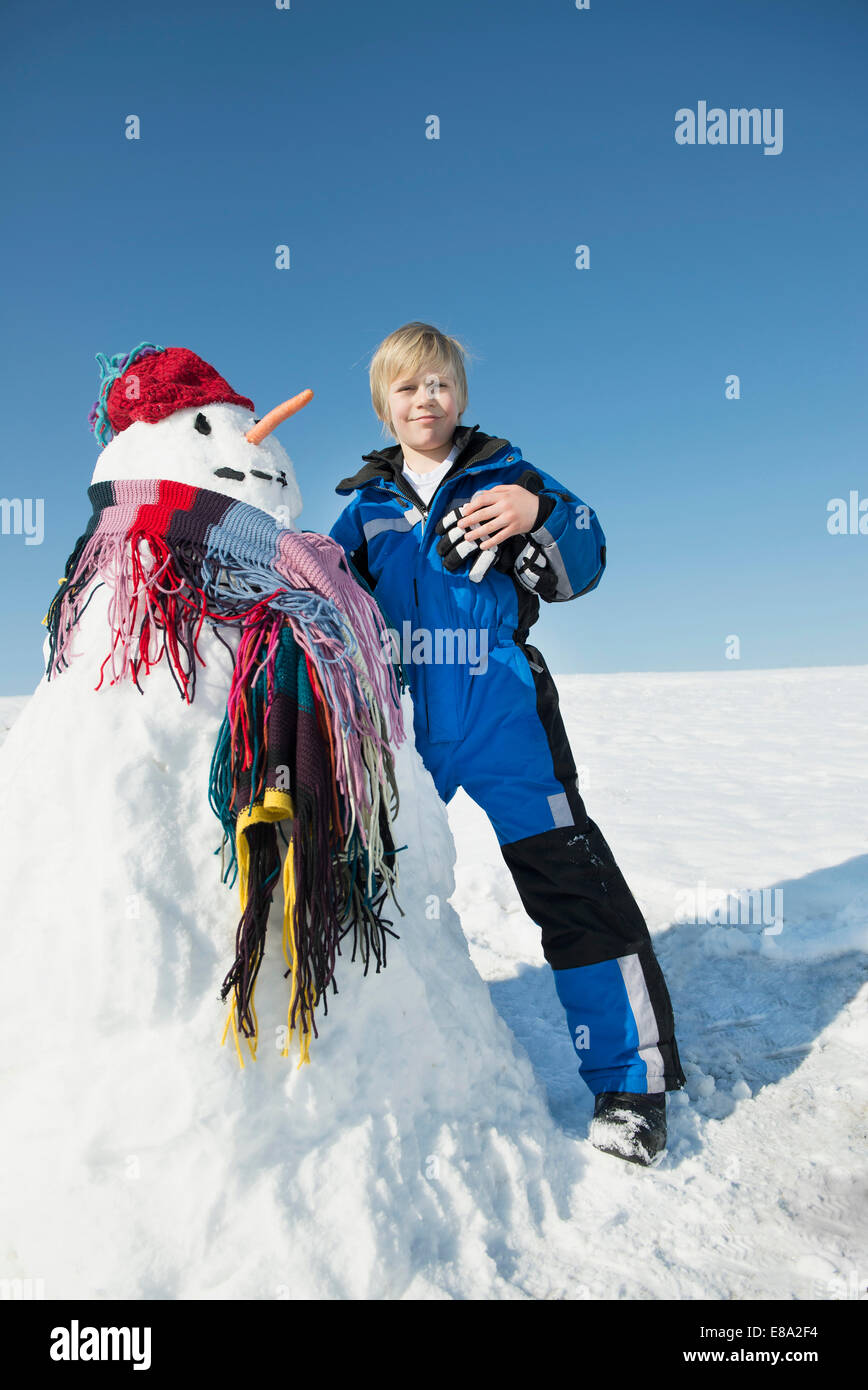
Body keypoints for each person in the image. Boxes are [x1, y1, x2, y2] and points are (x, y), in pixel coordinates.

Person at [329, 321, 686, 1165]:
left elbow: (583, 564)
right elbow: (326, 600)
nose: (426, 399)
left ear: (462, 395)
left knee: (569, 882)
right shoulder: (365, 510)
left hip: (503, 710)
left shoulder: (509, 475)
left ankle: (632, 1083)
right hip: (405, 720)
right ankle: (361, 1071)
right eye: (408, 387)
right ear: (385, 405)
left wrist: (540, 513)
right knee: (372, 880)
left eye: (440, 383)